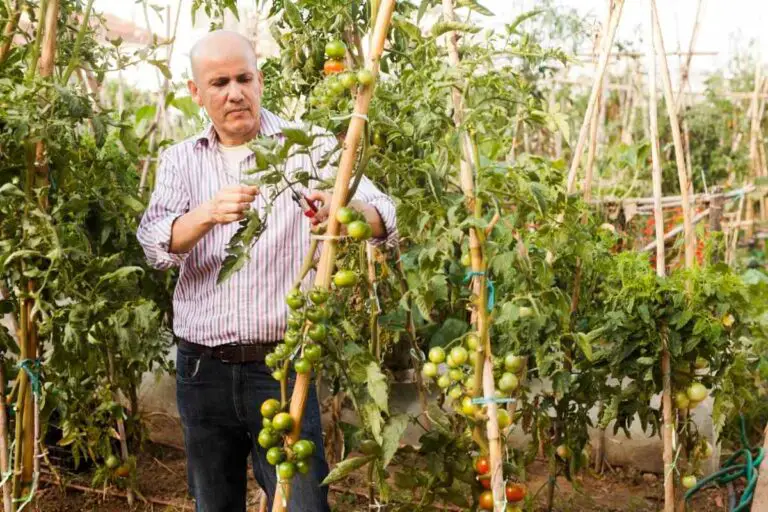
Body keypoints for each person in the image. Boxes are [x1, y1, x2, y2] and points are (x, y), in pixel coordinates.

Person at [137, 30, 398, 512]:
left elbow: (385, 214)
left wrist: (344, 209)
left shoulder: (308, 146)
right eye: (219, 83)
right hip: (202, 369)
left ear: (260, 80)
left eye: (244, 78)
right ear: (196, 92)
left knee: (303, 503)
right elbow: (155, 241)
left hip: (281, 367)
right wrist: (206, 215)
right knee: (214, 503)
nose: (235, 93)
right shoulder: (180, 160)